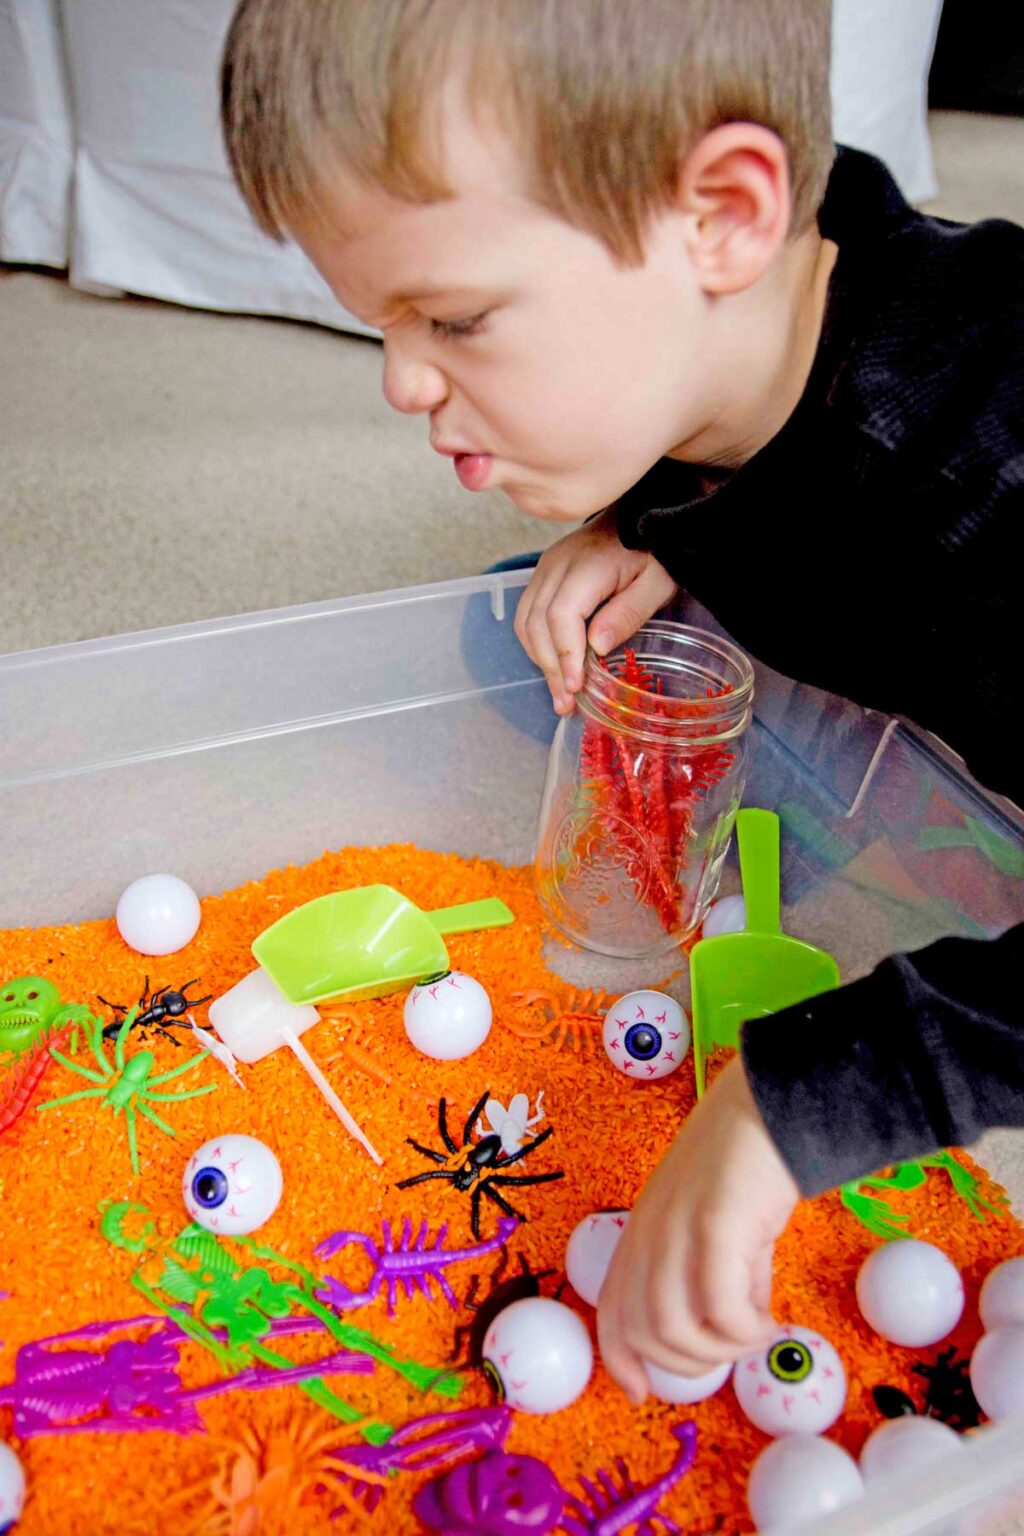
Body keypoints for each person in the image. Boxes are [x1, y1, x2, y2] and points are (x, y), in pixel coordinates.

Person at [220, 0, 1023, 1404]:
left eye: (456, 319)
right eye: (384, 325)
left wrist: (789, 1104)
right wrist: (654, 509)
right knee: (535, 631)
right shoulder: (765, 301)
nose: (404, 381)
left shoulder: (987, 473)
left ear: (723, 215)